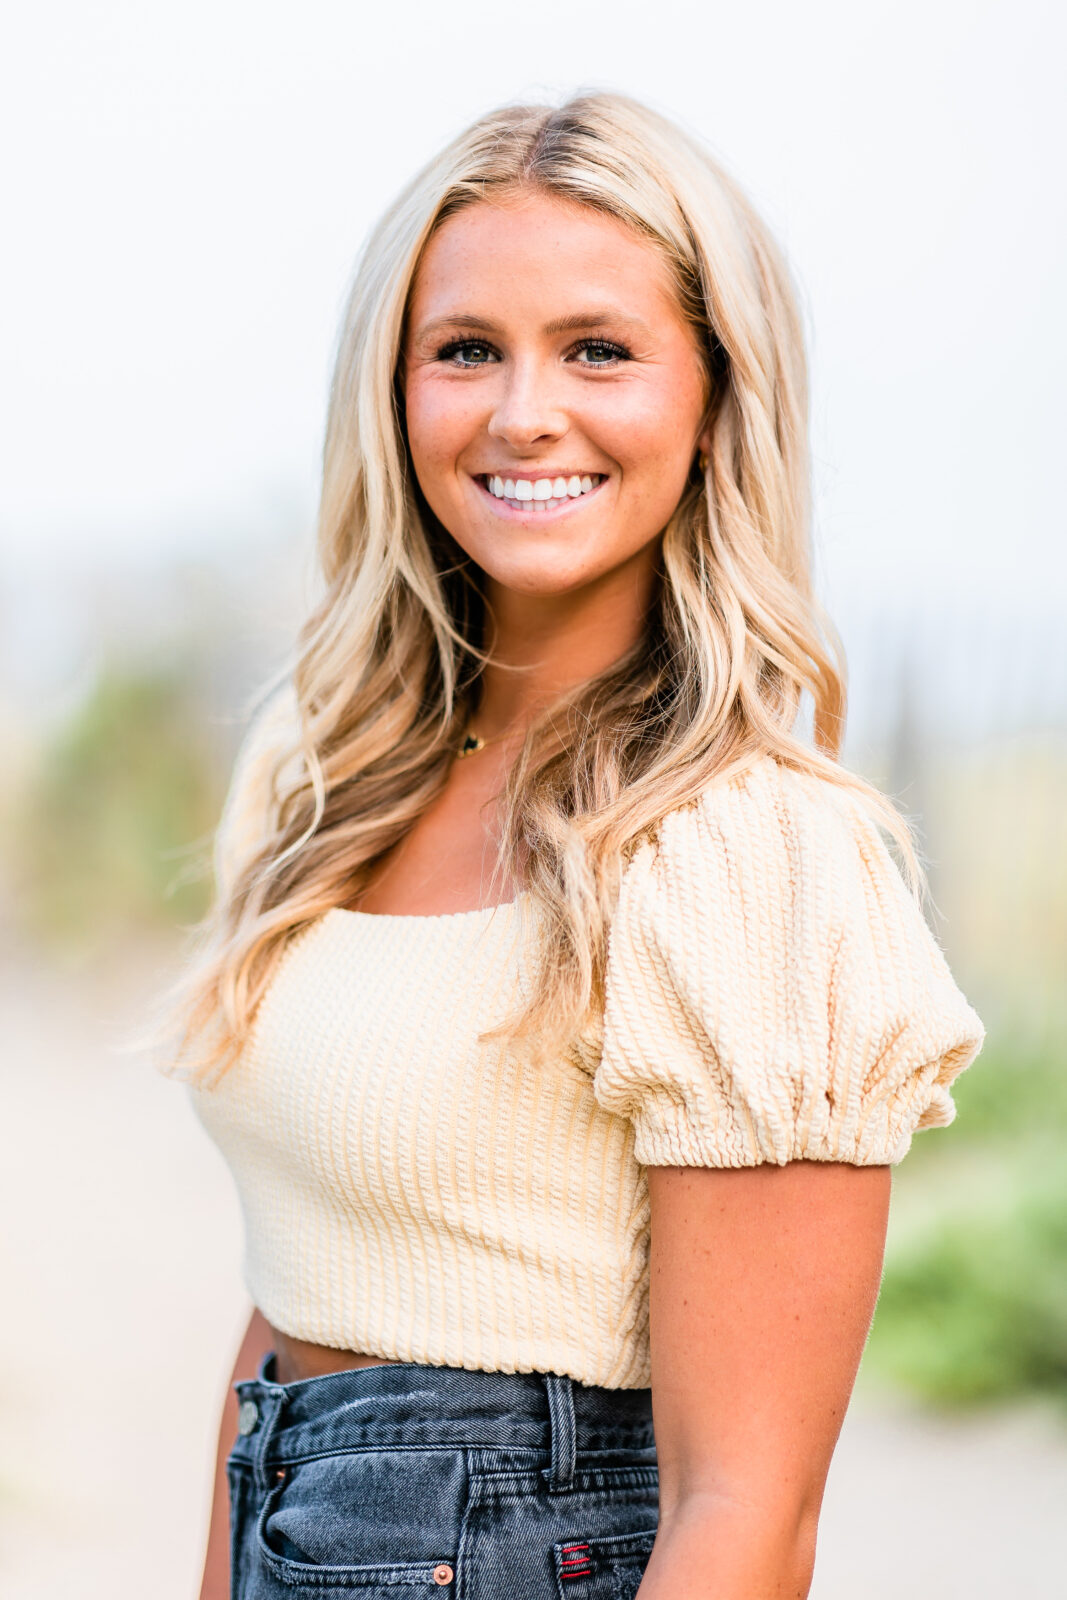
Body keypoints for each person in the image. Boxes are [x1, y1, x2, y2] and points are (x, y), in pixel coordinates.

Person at [168, 92, 984, 1600]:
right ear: (393, 387)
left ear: (713, 396)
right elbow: (294, 1294)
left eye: (598, 349)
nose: (523, 411)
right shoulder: (322, 775)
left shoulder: (745, 852)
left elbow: (747, 1512)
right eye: (466, 348)